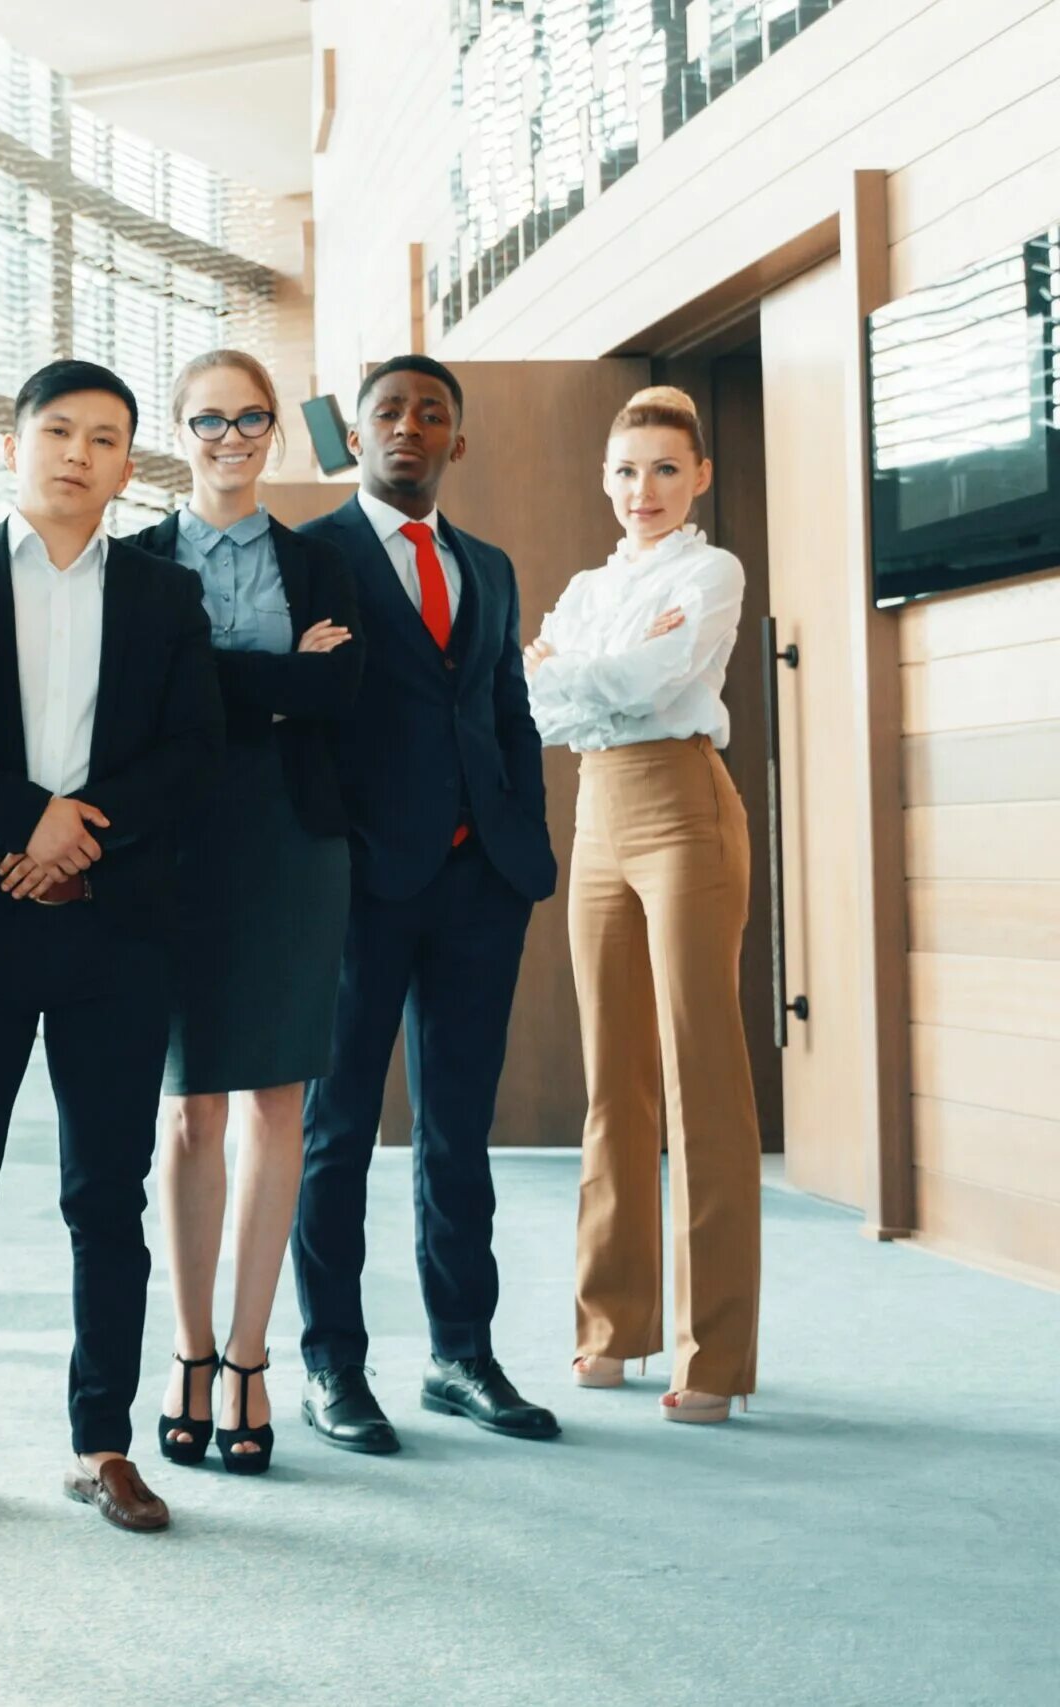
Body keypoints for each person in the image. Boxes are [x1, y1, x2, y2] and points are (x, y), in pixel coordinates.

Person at [0, 360, 219, 1536]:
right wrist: (22, 821)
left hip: (114, 932)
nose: (78, 452)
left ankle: (102, 1443)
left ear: (130, 466)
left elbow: (191, 755)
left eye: (105, 437)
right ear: (14, 445)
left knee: (104, 1198)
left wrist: (82, 841)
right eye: (57, 430)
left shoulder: (168, 598)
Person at [291, 354, 562, 1454]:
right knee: (337, 1131)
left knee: (457, 1131)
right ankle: (332, 1365)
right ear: (355, 437)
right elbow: (294, 724)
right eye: (388, 412)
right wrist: (328, 853)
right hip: (357, 886)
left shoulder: (487, 566)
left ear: (457, 440)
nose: (409, 427)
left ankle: (461, 1352)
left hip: (477, 886)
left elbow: (509, 711)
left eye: (431, 414)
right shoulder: (309, 557)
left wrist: (521, 842)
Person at [119, 349, 361, 1475]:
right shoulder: (132, 565)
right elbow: (146, 703)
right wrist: (272, 678)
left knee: (278, 1105)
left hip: (291, 844)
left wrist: (214, 677)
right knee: (188, 1112)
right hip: (173, 846)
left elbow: (338, 695)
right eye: (207, 419)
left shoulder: (319, 568)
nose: (229, 436)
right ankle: (188, 1347)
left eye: (249, 417)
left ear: (273, 432)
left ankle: (253, 1359)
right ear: (177, 432)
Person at [526, 384, 759, 1425]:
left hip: (680, 810)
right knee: (610, 1081)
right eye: (626, 470)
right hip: (597, 817)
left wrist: (578, 676)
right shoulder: (583, 587)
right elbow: (535, 699)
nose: (643, 489)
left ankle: (714, 1355)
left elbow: (657, 682)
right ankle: (610, 1326)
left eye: (665, 468)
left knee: (697, 1072)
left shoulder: (711, 572)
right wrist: (591, 676)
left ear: (698, 476)